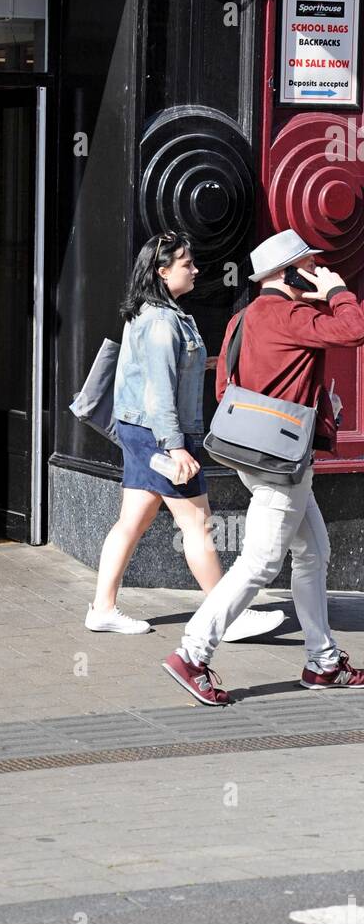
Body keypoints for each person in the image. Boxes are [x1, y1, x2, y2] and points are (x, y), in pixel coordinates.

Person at [163, 228, 364, 705]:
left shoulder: (244, 318)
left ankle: (323, 661)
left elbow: (224, 387)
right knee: (259, 563)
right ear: (288, 272)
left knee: (313, 552)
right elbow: (355, 328)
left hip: (255, 453)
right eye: (309, 264)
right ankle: (192, 653)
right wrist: (336, 290)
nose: (316, 269)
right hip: (281, 461)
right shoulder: (290, 314)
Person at [86, 230, 284, 641]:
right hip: (160, 435)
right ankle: (225, 617)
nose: (195, 270)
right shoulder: (160, 321)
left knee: (132, 521)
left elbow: (165, 373)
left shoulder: (155, 312)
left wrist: (203, 365)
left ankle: (102, 609)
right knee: (197, 522)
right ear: (162, 272)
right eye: (186, 264)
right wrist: (176, 447)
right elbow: (159, 389)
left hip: (141, 430)